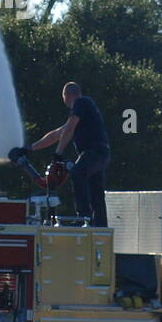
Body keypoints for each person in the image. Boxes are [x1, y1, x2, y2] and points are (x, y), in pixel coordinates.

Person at [29, 82, 111, 227]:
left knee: (77, 173)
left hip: (94, 152)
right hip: (99, 153)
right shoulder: (84, 109)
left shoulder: (81, 102)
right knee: (96, 190)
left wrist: (58, 154)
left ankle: (84, 217)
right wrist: (30, 148)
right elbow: (57, 134)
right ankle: (99, 225)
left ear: (66, 95)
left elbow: (70, 128)